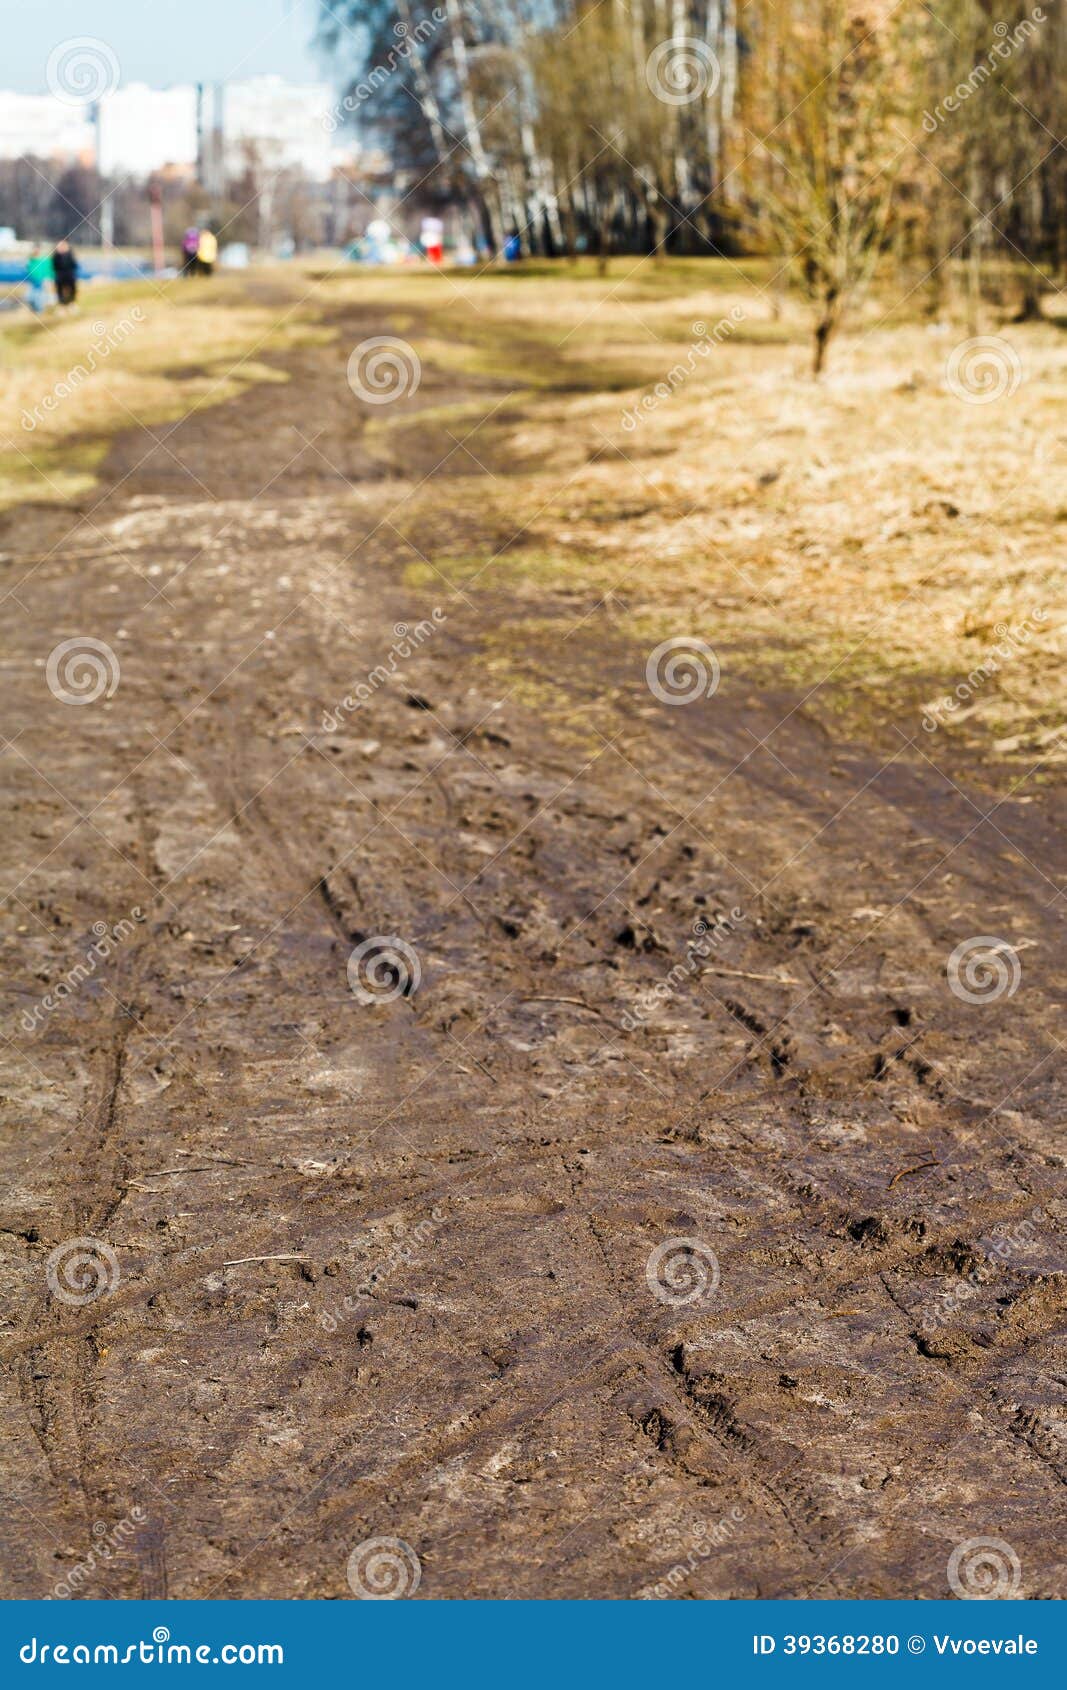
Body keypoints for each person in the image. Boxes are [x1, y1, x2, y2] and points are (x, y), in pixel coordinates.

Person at [25, 245, 52, 314]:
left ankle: (40, 311)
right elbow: (28, 270)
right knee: (29, 297)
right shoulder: (30, 260)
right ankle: (34, 310)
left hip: (42, 282)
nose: (36, 251)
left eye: (37, 249)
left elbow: (49, 270)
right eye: (34, 249)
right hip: (33, 282)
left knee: (40, 297)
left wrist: (48, 280)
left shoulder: (45, 260)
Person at [52, 239, 78, 306]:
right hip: (60, 276)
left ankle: (72, 303)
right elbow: (54, 266)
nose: (62, 247)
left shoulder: (70, 254)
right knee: (59, 290)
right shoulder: (56, 255)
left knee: (72, 289)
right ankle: (61, 304)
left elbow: (74, 264)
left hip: (70, 275)